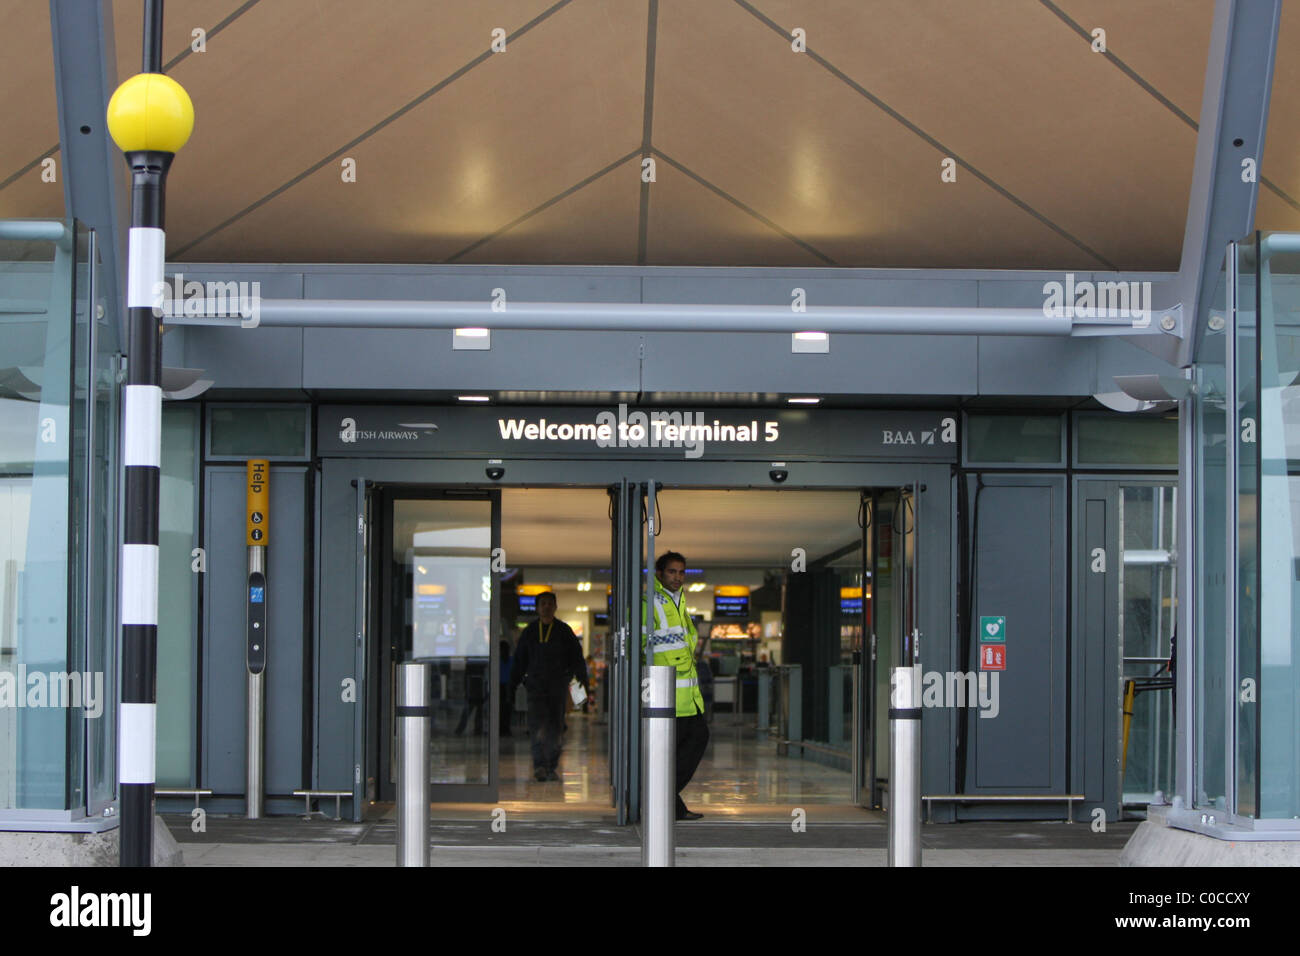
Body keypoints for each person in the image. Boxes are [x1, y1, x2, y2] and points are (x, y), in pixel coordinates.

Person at [642, 551, 709, 820]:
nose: (677, 577)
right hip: (663, 695)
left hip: (686, 697)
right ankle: (663, 799)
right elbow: (642, 645)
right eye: (672, 571)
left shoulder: (679, 602)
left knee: (694, 741)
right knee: (672, 750)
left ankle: (664, 798)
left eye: (681, 572)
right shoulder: (650, 603)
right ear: (659, 574)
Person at [508, 592, 588, 781]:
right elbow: (520, 660)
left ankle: (551, 766)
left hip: (557, 687)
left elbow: (576, 657)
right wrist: (512, 684)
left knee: (555, 727)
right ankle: (539, 766)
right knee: (536, 727)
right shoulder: (530, 631)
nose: (546, 607)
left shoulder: (564, 631)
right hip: (535, 687)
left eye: (550, 604)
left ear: (555, 607)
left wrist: (582, 680)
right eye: (543, 604)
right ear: (537, 607)